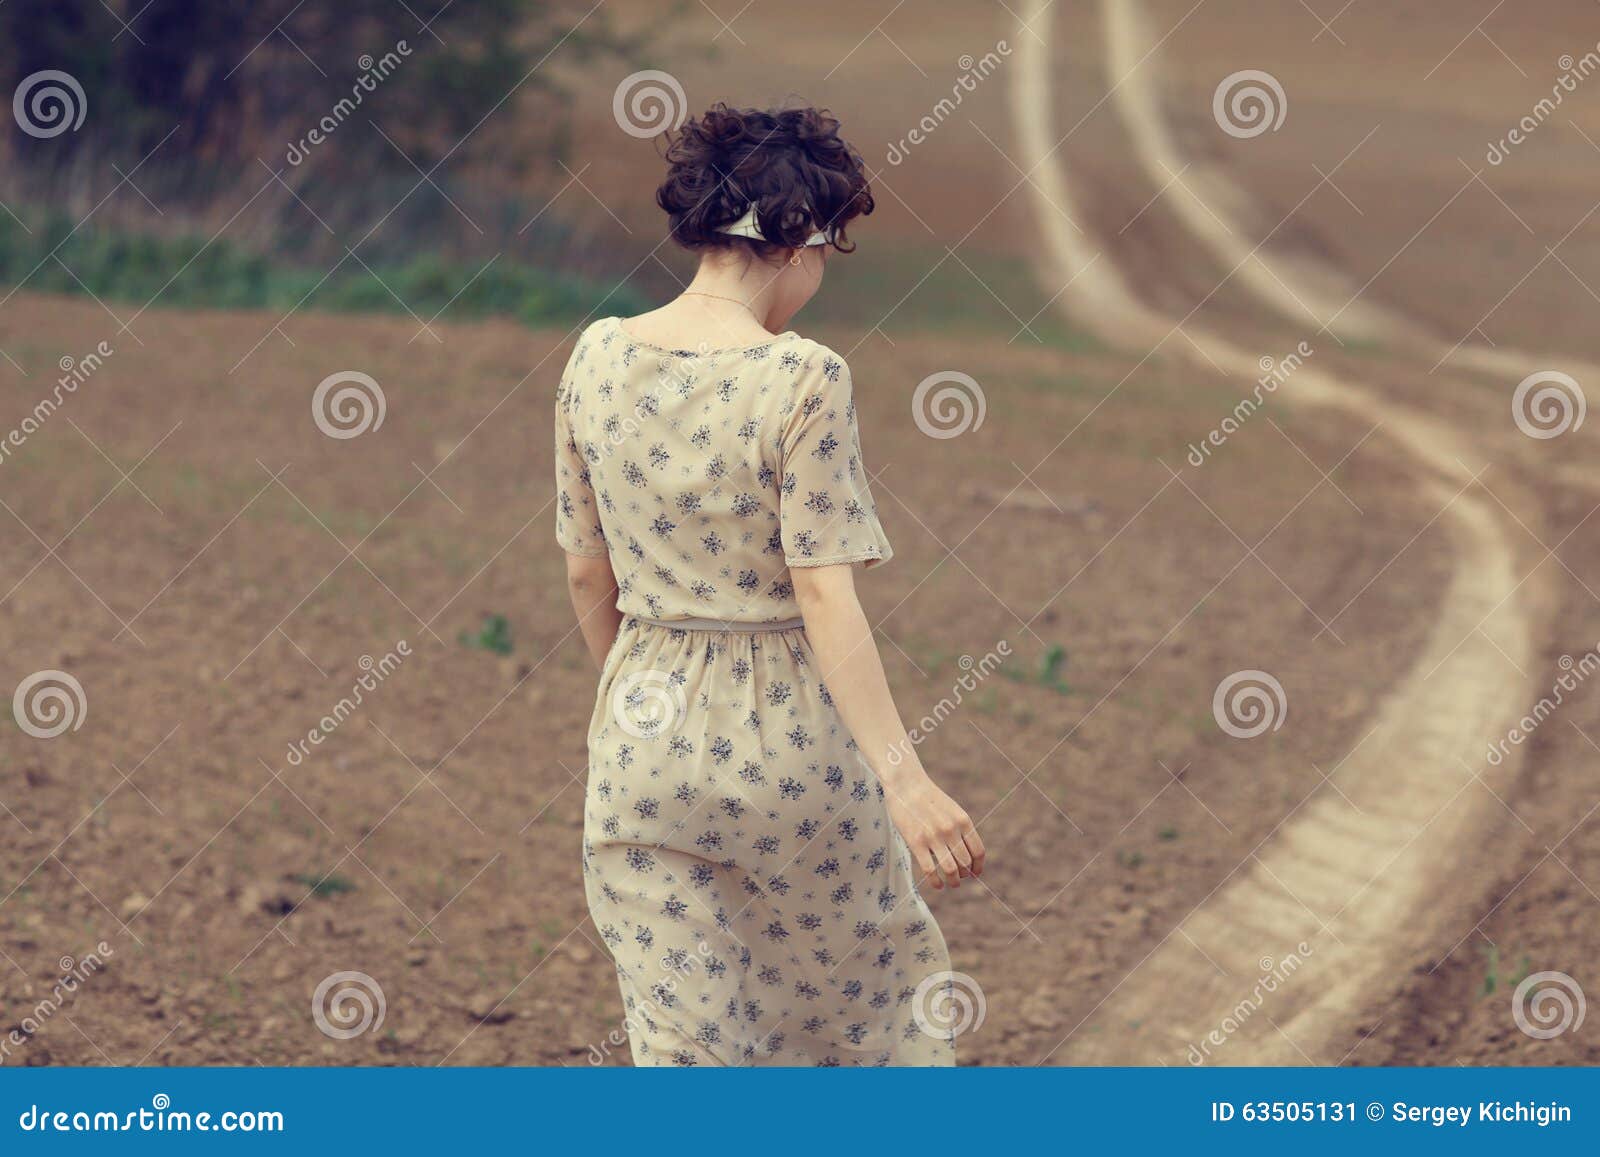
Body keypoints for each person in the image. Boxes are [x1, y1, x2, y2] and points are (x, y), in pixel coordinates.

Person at [554, 103, 984, 1066]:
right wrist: (906, 785)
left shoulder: (597, 354)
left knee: (685, 1049)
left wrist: (640, 696)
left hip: (641, 736)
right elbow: (826, 593)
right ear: (795, 240)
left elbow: (587, 567)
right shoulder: (802, 377)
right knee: (866, 1027)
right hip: (787, 739)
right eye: (830, 251)